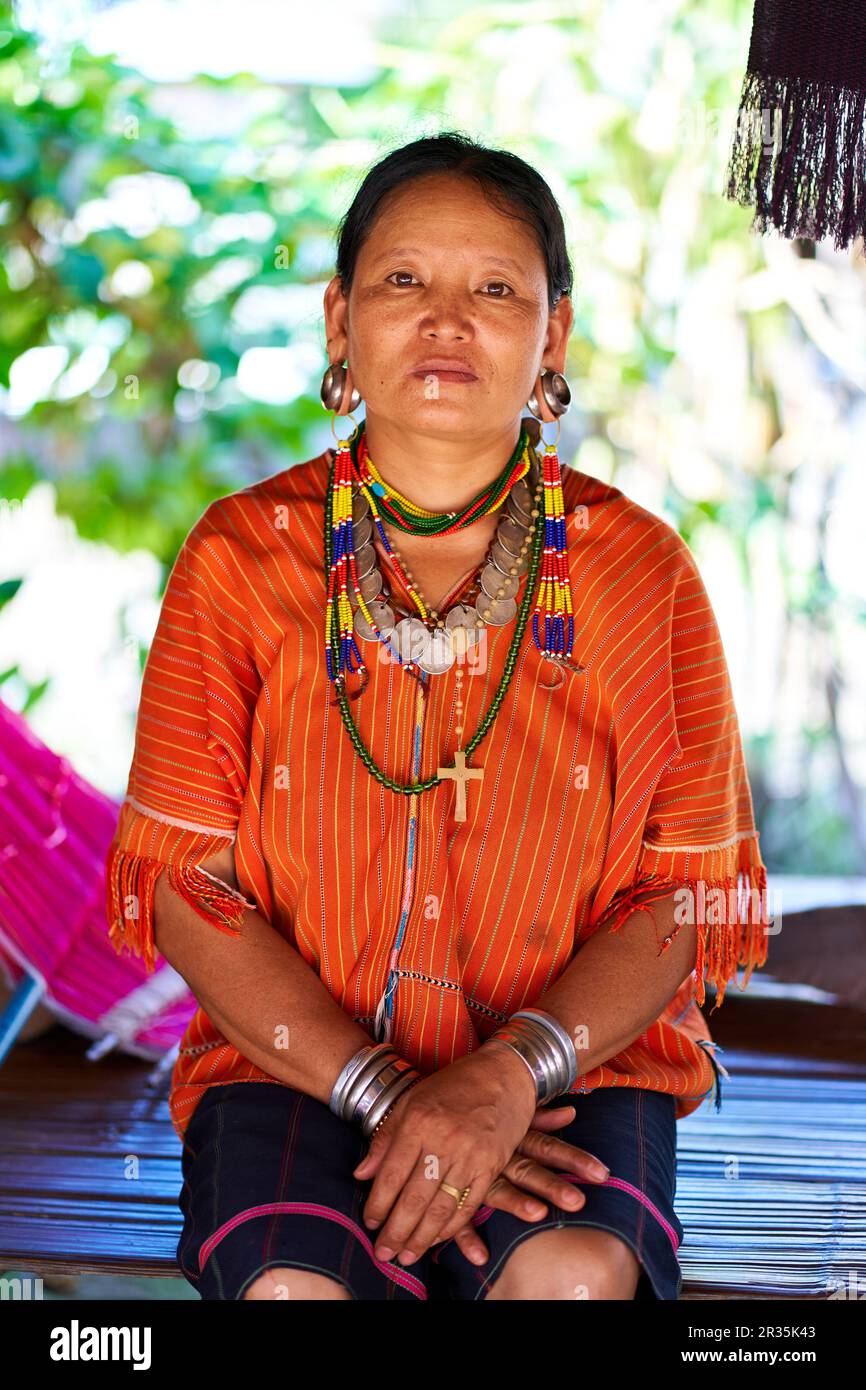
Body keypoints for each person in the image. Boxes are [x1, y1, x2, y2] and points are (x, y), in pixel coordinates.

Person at [105, 131, 769, 1302]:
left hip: (575, 1068)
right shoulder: (239, 560)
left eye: (495, 288)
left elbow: (685, 895)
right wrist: (385, 1091)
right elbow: (185, 886)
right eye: (404, 280)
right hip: (297, 1069)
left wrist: (509, 1075)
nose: (447, 320)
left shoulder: (637, 573)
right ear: (338, 320)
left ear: (551, 335)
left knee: (570, 1272)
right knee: (293, 1289)